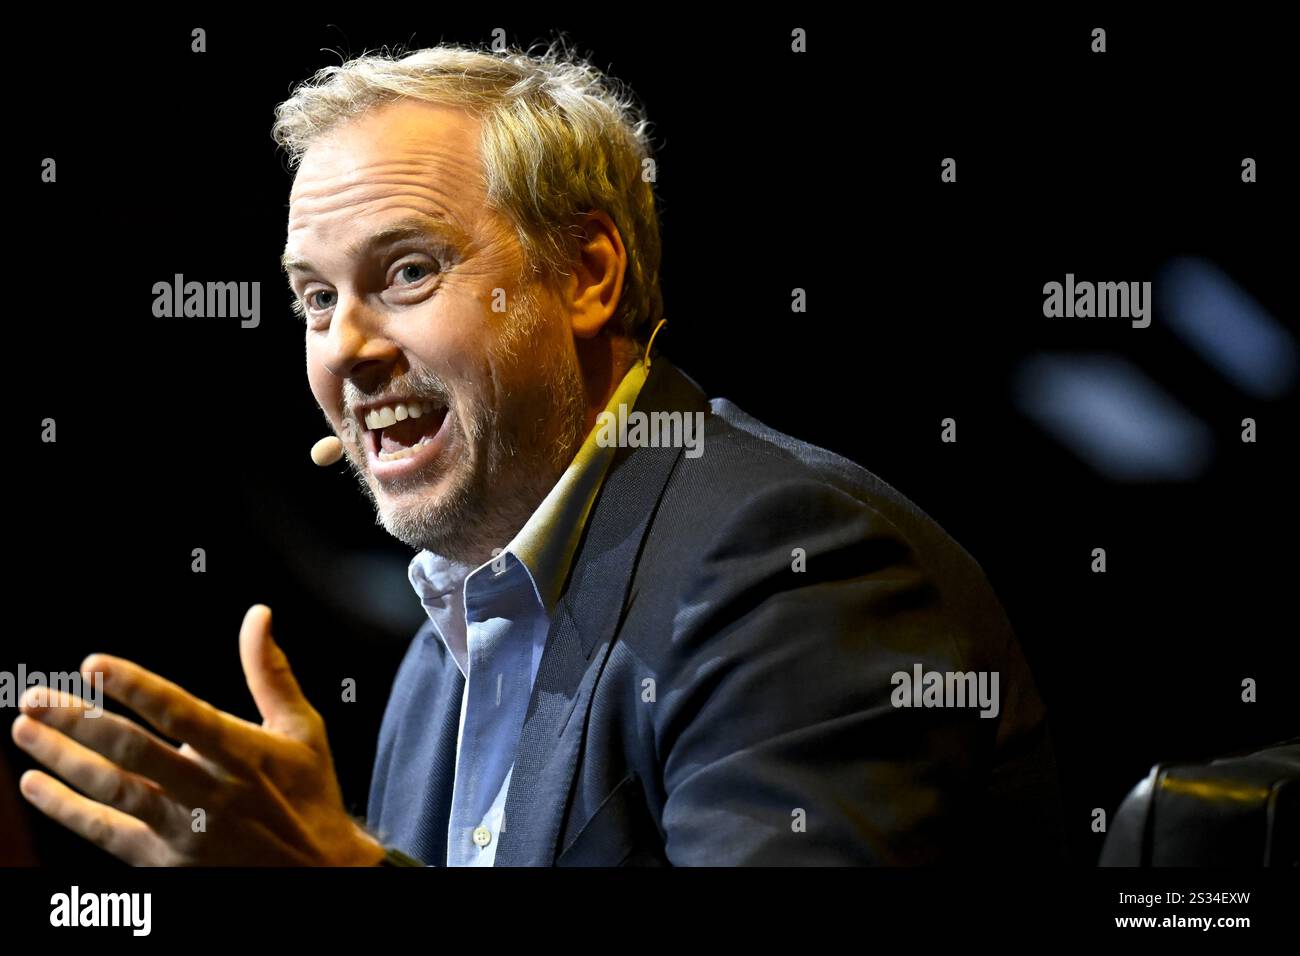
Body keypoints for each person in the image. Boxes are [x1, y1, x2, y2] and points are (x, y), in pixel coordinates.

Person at [9, 43, 1064, 866]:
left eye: (409, 271)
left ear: (586, 273)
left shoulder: (786, 566)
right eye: (316, 298)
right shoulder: (445, 647)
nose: (348, 349)